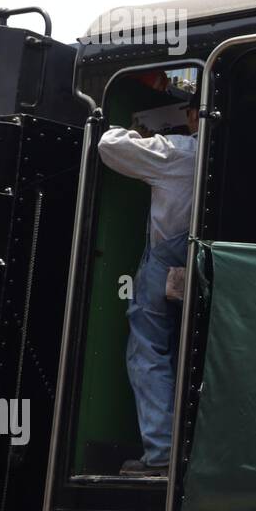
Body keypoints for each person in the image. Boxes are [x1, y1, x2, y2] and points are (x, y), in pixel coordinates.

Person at [97, 88, 199, 477]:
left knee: (148, 352)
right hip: (200, 261)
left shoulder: (176, 150)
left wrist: (139, 135)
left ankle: (161, 453)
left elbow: (109, 145)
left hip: (164, 261)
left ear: (193, 117)